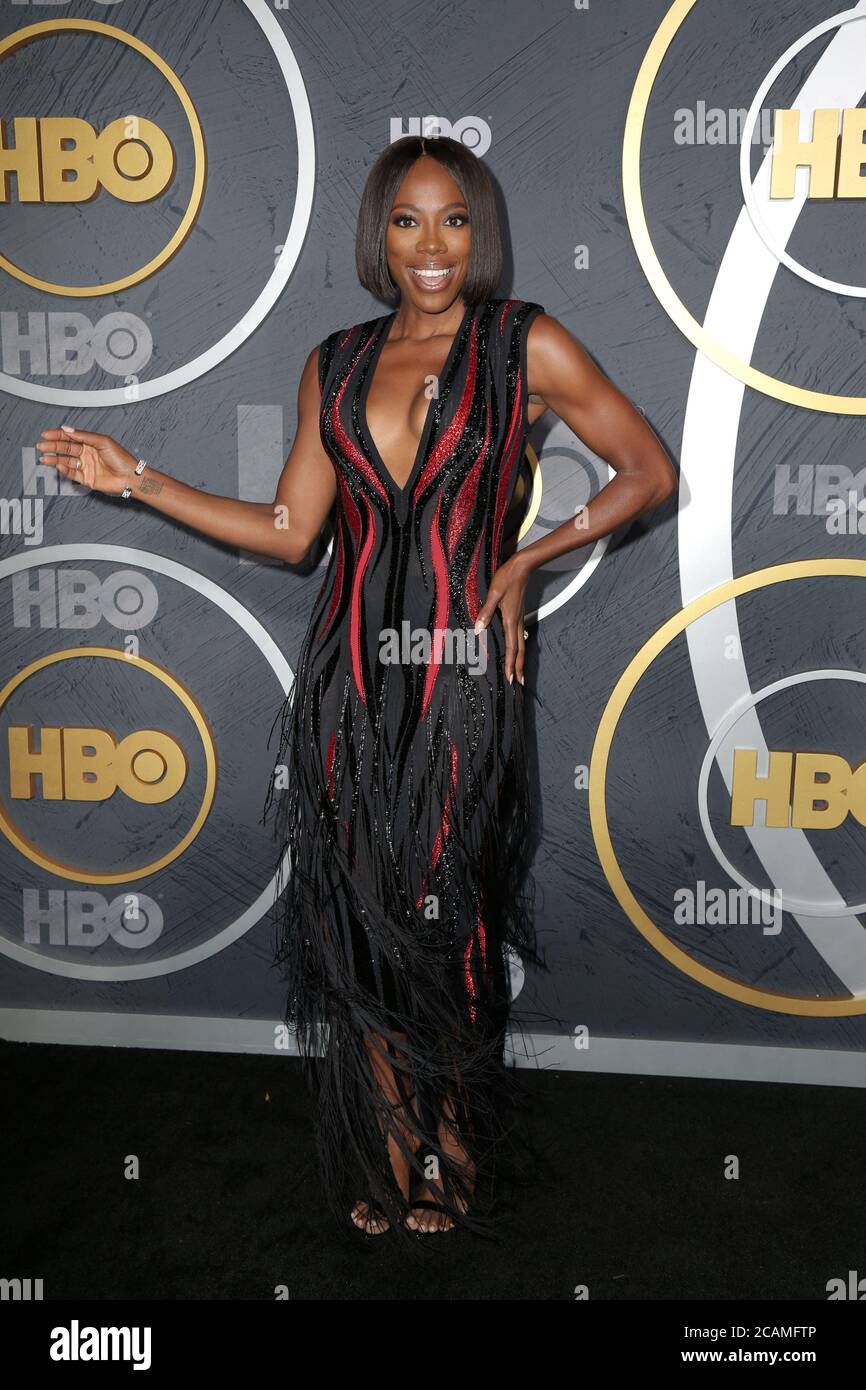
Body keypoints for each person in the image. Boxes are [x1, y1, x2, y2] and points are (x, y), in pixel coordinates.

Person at [37, 134, 676, 1244]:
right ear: (376, 233)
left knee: (446, 913)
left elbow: (647, 469)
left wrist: (526, 561)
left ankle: (454, 1139)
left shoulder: (522, 343)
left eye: (453, 220)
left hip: (458, 679)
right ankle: (393, 1139)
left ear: (479, 231)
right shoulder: (333, 361)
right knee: (358, 922)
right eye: (406, 221)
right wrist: (132, 478)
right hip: (343, 683)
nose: (431, 246)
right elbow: (290, 535)